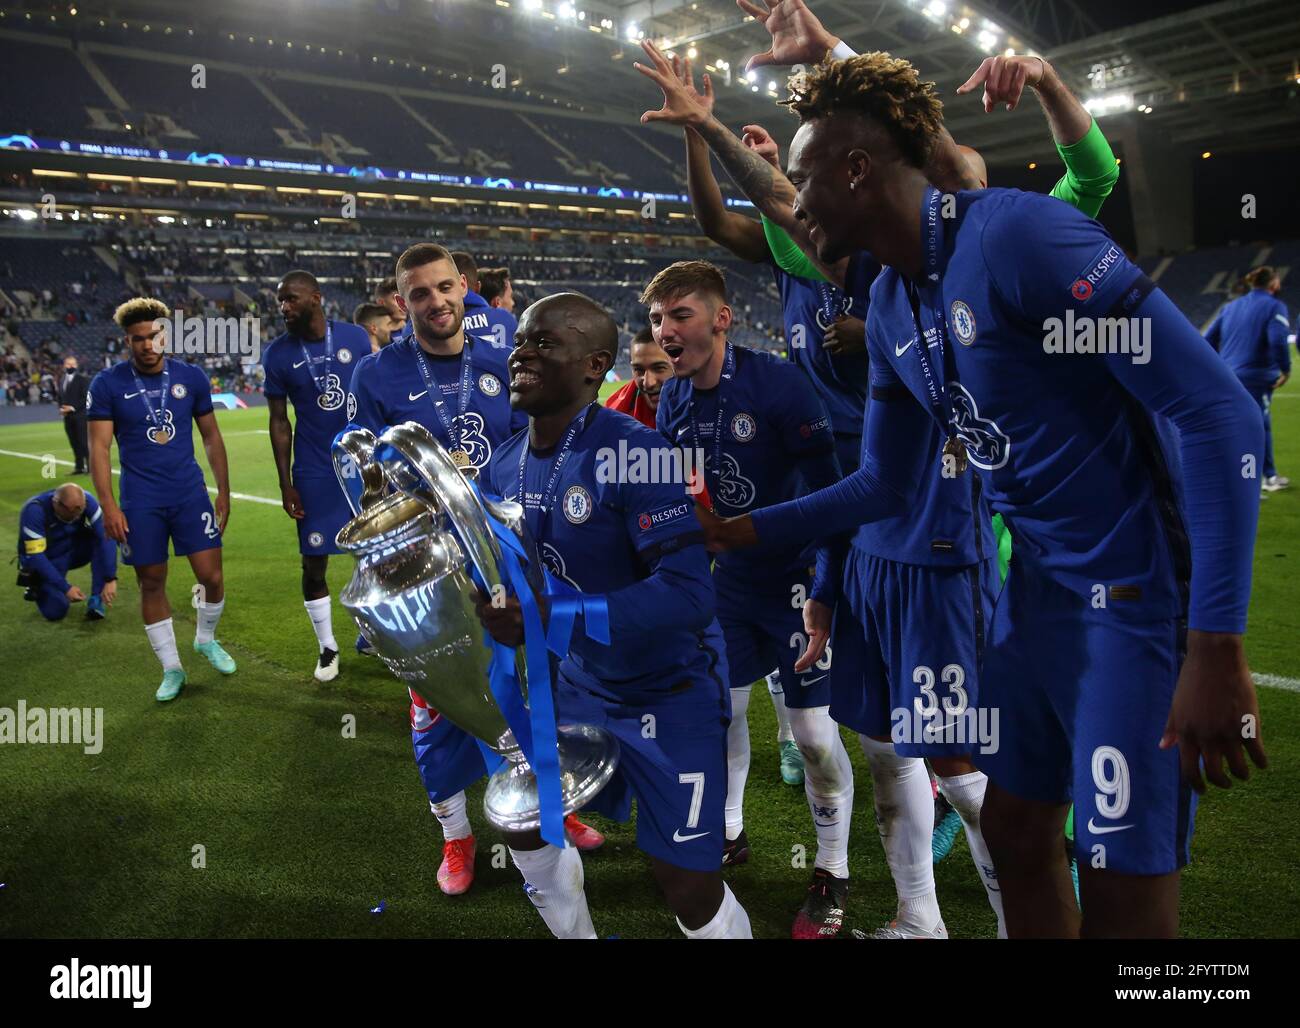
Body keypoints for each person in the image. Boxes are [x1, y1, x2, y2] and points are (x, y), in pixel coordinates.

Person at [691, 51, 1267, 939]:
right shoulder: (888, 305)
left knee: (1118, 875)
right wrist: (742, 529)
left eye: (801, 179)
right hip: (1035, 602)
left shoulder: (1020, 238)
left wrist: (1216, 643)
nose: (791, 203)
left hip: (1135, 602)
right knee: (1013, 830)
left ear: (856, 169)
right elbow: (882, 481)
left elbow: (1217, 411)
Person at [476, 292, 751, 939]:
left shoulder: (641, 453)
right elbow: (510, 591)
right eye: (521, 339)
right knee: (521, 823)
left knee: (683, 878)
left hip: (670, 688)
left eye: (546, 342)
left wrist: (552, 615)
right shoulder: (500, 468)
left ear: (595, 363)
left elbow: (688, 595)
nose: (522, 352)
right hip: (578, 687)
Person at [346, 244, 602, 896]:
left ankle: (548, 803)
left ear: (464, 286)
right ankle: (455, 835)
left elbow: (539, 451)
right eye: (418, 294)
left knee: (530, 682)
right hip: (430, 567)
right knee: (439, 700)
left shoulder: (502, 362)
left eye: (442, 288)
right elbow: (368, 485)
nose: (434, 303)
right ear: (401, 302)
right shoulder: (376, 376)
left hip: (508, 551)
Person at [646, 260, 854, 939]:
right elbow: (683, 497)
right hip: (727, 587)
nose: (666, 331)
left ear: (722, 318)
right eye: (656, 319)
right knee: (722, 718)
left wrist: (824, 586)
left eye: (681, 315)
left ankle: (832, 868)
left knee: (815, 737)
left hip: (793, 581)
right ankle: (730, 831)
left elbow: (830, 498)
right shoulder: (673, 398)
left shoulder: (779, 385)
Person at [89, 298, 235, 703]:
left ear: (166, 335)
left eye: (154, 336)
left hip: (189, 494)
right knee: (151, 582)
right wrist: (109, 506)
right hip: (140, 501)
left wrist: (222, 489)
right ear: (127, 342)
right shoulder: (107, 384)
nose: (147, 345)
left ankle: (205, 639)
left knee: (212, 577)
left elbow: (210, 436)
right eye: (138, 339)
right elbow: (99, 450)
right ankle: (172, 668)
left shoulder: (191, 376)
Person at [263, 272, 371, 683]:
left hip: (360, 464)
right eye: (279, 302)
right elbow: (278, 422)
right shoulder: (277, 355)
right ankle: (327, 647)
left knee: (374, 556)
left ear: (316, 298)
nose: (284, 307)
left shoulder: (357, 339)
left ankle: (374, 633)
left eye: (290, 299)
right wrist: (285, 482)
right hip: (311, 469)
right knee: (314, 564)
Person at [1205, 266, 1292, 494]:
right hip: (1255, 377)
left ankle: (1242, 480)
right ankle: (1264, 479)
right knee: (1259, 427)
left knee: (1236, 427)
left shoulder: (1230, 307)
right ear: (1273, 284)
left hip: (1228, 377)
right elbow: (1277, 341)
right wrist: (1286, 369)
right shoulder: (1275, 306)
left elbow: (1207, 340)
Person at [17, 483, 117, 621]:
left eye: (79, 512)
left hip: (73, 550)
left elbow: (106, 537)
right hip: (47, 560)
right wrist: (66, 588)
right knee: (56, 612)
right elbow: (36, 557)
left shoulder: (87, 501)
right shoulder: (34, 511)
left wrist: (110, 578)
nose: (76, 516)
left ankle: (96, 599)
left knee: (98, 539)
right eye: (72, 513)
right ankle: (37, 585)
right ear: (56, 503)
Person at [604, 326, 673, 430]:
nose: (648, 383)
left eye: (659, 368)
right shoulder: (615, 418)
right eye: (639, 370)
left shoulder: (704, 409)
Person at [451, 250, 518, 351]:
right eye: (511, 297)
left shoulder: (440, 326)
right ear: (478, 287)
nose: (513, 303)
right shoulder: (507, 319)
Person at [56, 355, 90, 474]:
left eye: (73, 364)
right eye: (68, 364)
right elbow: (60, 396)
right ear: (64, 366)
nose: (71, 366)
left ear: (76, 365)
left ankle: (91, 467)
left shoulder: (82, 379)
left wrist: (72, 407)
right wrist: (61, 408)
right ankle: (79, 467)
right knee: (74, 442)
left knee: (83, 442)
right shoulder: (62, 379)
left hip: (80, 416)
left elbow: (85, 397)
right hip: (67, 417)